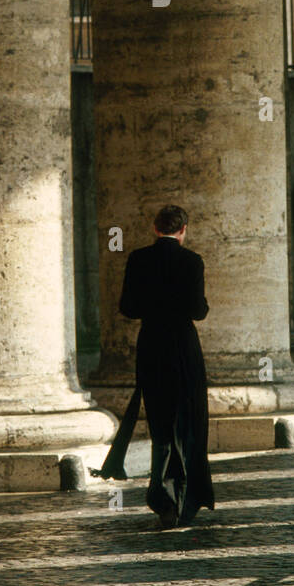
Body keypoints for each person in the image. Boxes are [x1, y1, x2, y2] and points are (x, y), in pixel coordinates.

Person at [92, 204, 215, 528]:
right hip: (184, 349)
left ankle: (161, 496)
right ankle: (186, 496)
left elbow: (128, 307)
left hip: (152, 346)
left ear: (155, 228)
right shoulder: (192, 261)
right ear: (183, 230)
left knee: (160, 423)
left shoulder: (138, 259)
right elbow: (198, 311)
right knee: (187, 422)